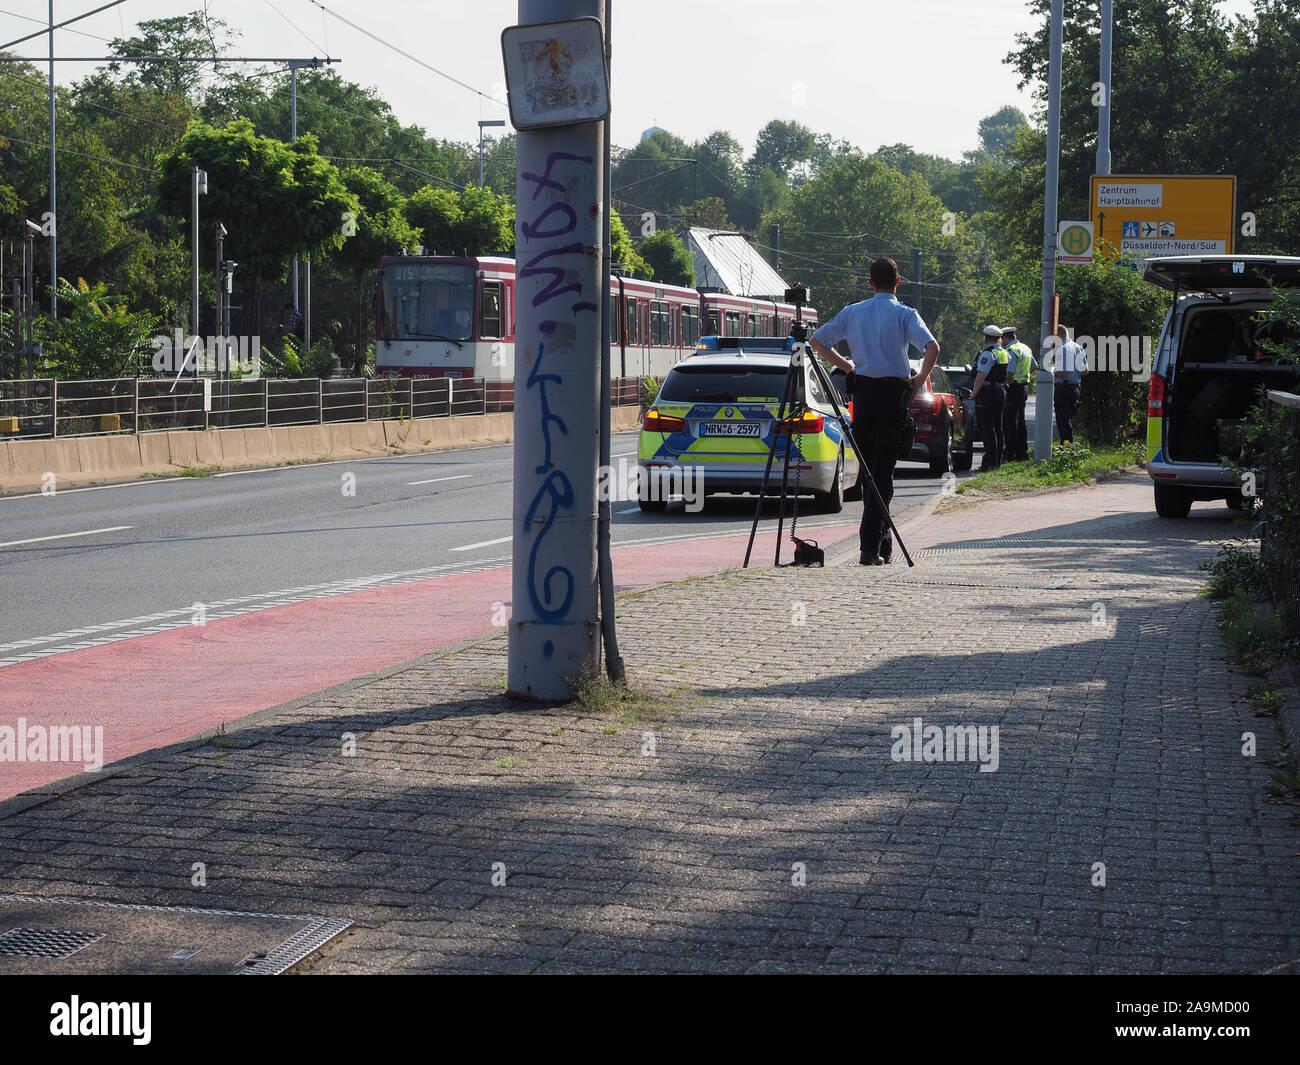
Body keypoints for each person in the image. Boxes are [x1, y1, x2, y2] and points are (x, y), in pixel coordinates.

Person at [809, 256, 940, 566]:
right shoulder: (906, 314)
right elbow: (932, 348)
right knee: (883, 472)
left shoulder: (852, 312)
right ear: (898, 281)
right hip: (893, 395)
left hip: (864, 394)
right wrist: (919, 379)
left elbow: (817, 341)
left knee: (871, 472)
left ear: (870, 283)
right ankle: (871, 547)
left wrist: (847, 366)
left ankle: (881, 545)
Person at [970, 325, 1008, 470]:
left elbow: (981, 375)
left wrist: (974, 393)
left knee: (986, 428)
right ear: (999, 338)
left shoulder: (987, 354)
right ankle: (996, 462)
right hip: (1000, 391)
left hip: (987, 393)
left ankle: (990, 463)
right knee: (997, 428)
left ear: (986, 337)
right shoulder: (1003, 352)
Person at [1001, 325, 1036, 461]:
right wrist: (1024, 375)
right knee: (1020, 420)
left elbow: (1009, 373)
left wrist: (1005, 384)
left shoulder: (1011, 350)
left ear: (1005, 337)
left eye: (1002, 338)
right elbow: (1034, 366)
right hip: (1024, 388)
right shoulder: (1025, 348)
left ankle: (1011, 453)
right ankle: (1022, 452)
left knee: (1010, 421)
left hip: (1013, 388)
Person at [1051, 324, 1088, 445]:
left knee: (1062, 420)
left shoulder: (1062, 349)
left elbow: (1061, 373)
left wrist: (1052, 371)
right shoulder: (1078, 348)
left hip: (1063, 389)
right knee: (1067, 419)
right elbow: (1085, 371)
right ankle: (1067, 447)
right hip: (1075, 389)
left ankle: (1067, 448)